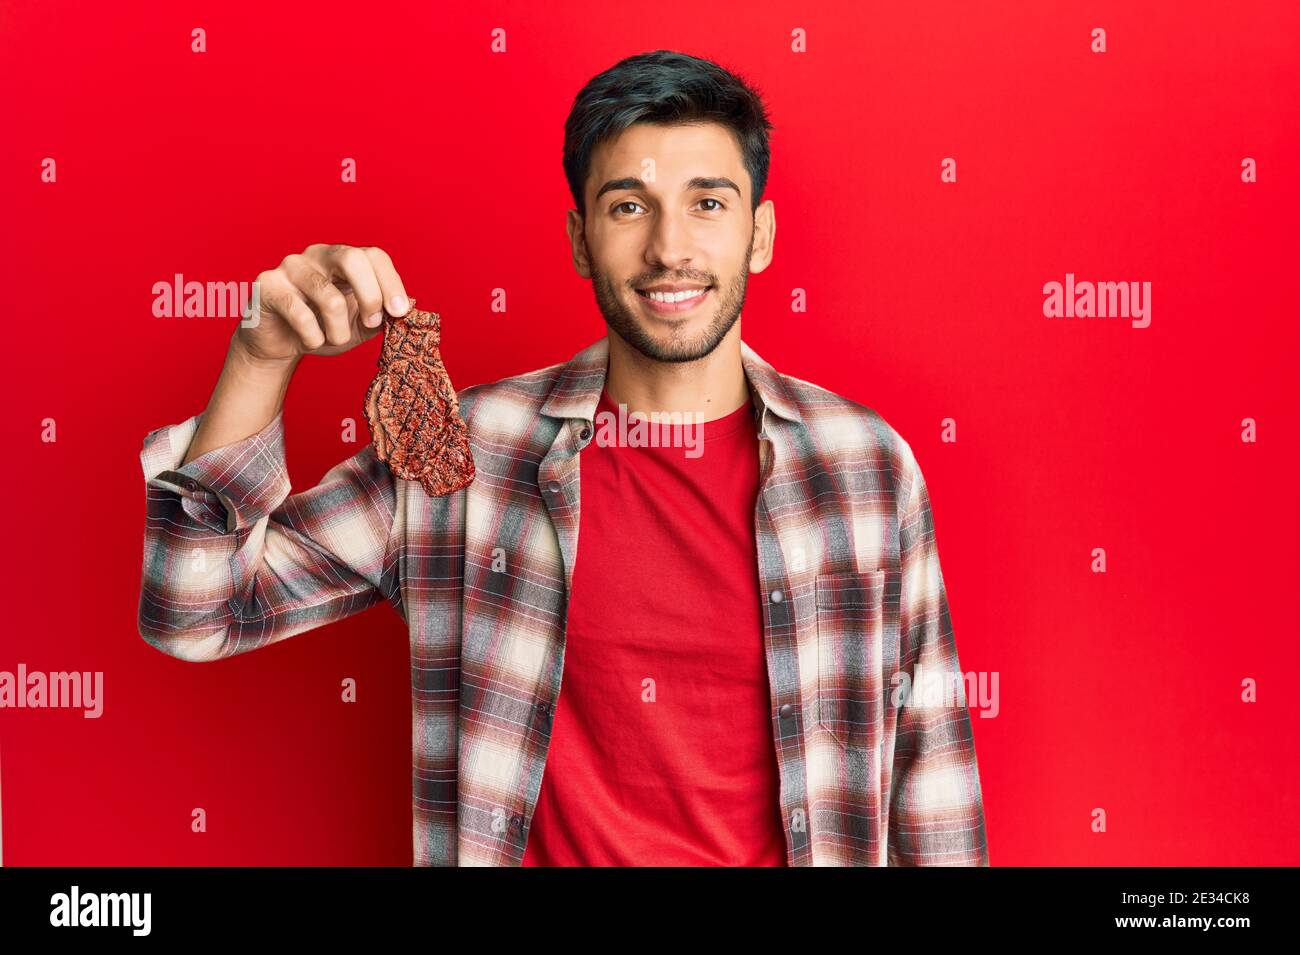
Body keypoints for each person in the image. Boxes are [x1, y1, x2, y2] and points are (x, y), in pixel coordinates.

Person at [138, 49, 989, 867]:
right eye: (628, 206)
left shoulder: (864, 468)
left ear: (759, 233)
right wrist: (260, 357)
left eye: (708, 204)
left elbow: (932, 776)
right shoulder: (463, 462)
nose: (668, 249)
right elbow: (200, 613)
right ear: (581, 239)